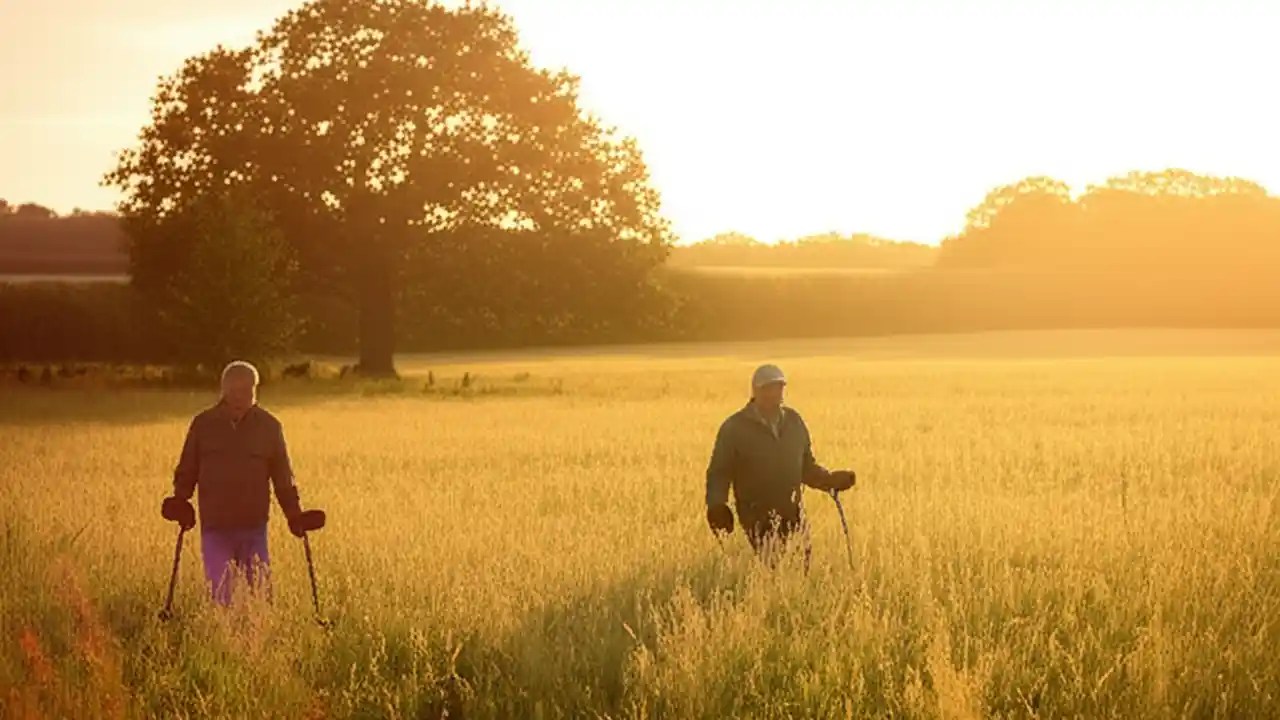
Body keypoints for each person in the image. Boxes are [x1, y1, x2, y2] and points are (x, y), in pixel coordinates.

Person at [161, 360, 315, 605]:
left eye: (249, 390)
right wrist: (180, 500)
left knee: (261, 596)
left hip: (254, 526)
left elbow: (283, 476)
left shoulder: (269, 427)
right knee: (222, 595)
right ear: (224, 390)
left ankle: (256, 639)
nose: (243, 396)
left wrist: (294, 514)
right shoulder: (203, 425)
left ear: (256, 390)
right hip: (215, 526)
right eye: (236, 390)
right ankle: (226, 640)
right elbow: (188, 469)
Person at [704, 364, 855, 567]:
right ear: (755, 391)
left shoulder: (794, 422)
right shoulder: (734, 428)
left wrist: (829, 481)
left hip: (792, 509)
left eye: (778, 388)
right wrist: (717, 505)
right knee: (772, 566)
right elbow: (719, 473)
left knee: (803, 564)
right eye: (768, 388)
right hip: (755, 513)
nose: (774, 393)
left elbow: (805, 466)